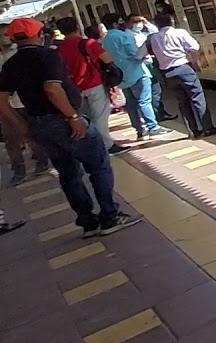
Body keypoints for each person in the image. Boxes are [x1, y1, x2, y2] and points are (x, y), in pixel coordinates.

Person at [0, 18, 140, 237]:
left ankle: (88, 223)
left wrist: (21, 126)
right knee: (99, 164)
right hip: (63, 121)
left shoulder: (11, 64)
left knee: (68, 174)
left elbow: (1, 100)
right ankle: (110, 217)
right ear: (38, 34)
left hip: (39, 125)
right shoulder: (47, 55)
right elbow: (53, 89)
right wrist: (73, 117)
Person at [101, 13, 174, 141]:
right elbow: (135, 53)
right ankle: (153, 128)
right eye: (120, 21)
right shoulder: (123, 36)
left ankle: (139, 130)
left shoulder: (105, 40)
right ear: (114, 24)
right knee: (144, 101)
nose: (122, 23)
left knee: (131, 104)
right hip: (136, 72)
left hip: (120, 76)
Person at [54, 17, 121, 155]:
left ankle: (93, 144)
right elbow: (107, 58)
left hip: (74, 89)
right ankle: (106, 146)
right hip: (93, 84)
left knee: (86, 118)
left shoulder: (58, 49)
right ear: (78, 27)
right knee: (100, 117)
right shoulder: (88, 43)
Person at [149, 14, 216, 139]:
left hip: (167, 73)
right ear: (172, 22)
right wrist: (195, 62)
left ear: (157, 25)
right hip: (183, 69)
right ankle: (207, 127)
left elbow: (140, 54)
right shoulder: (180, 33)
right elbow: (194, 47)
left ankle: (193, 130)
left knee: (182, 102)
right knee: (197, 97)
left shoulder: (152, 38)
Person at [0, 31, 50, 184]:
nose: (6, 37)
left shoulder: (21, 54)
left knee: (33, 134)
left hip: (24, 102)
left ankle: (42, 161)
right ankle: (18, 170)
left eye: (7, 34)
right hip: (6, 106)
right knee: (11, 140)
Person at [130, 16, 177, 121]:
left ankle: (159, 112)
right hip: (145, 65)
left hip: (149, 63)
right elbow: (138, 54)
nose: (139, 24)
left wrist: (147, 23)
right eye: (136, 22)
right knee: (154, 91)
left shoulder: (140, 34)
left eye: (140, 22)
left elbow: (157, 32)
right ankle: (158, 114)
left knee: (155, 90)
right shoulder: (131, 36)